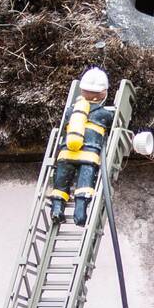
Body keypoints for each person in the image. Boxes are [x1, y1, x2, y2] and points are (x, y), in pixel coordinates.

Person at [46, 68, 115, 226]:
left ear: (82, 91)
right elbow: (113, 123)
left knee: (61, 183)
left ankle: (57, 210)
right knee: (85, 184)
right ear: (102, 93)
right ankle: (79, 214)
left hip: (66, 154)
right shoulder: (104, 114)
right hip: (89, 156)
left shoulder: (71, 111)